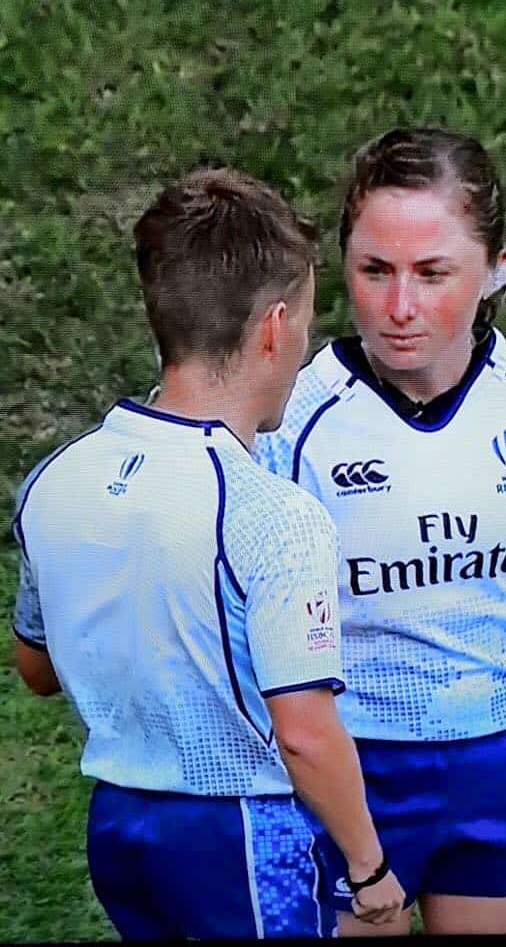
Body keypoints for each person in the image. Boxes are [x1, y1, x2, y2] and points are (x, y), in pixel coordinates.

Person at [253, 127, 506, 936]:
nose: (400, 307)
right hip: (348, 769)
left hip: (497, 760)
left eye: (433, 274)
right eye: (374, 271)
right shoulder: (285, 420)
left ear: (498, 267)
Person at [11, 168, 405, 940]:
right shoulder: (273, 514)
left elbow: (36, 669)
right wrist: (369, 867)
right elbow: (303, 730)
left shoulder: (52, 480)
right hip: (238, 839)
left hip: (119, 830)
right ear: (274, 326)